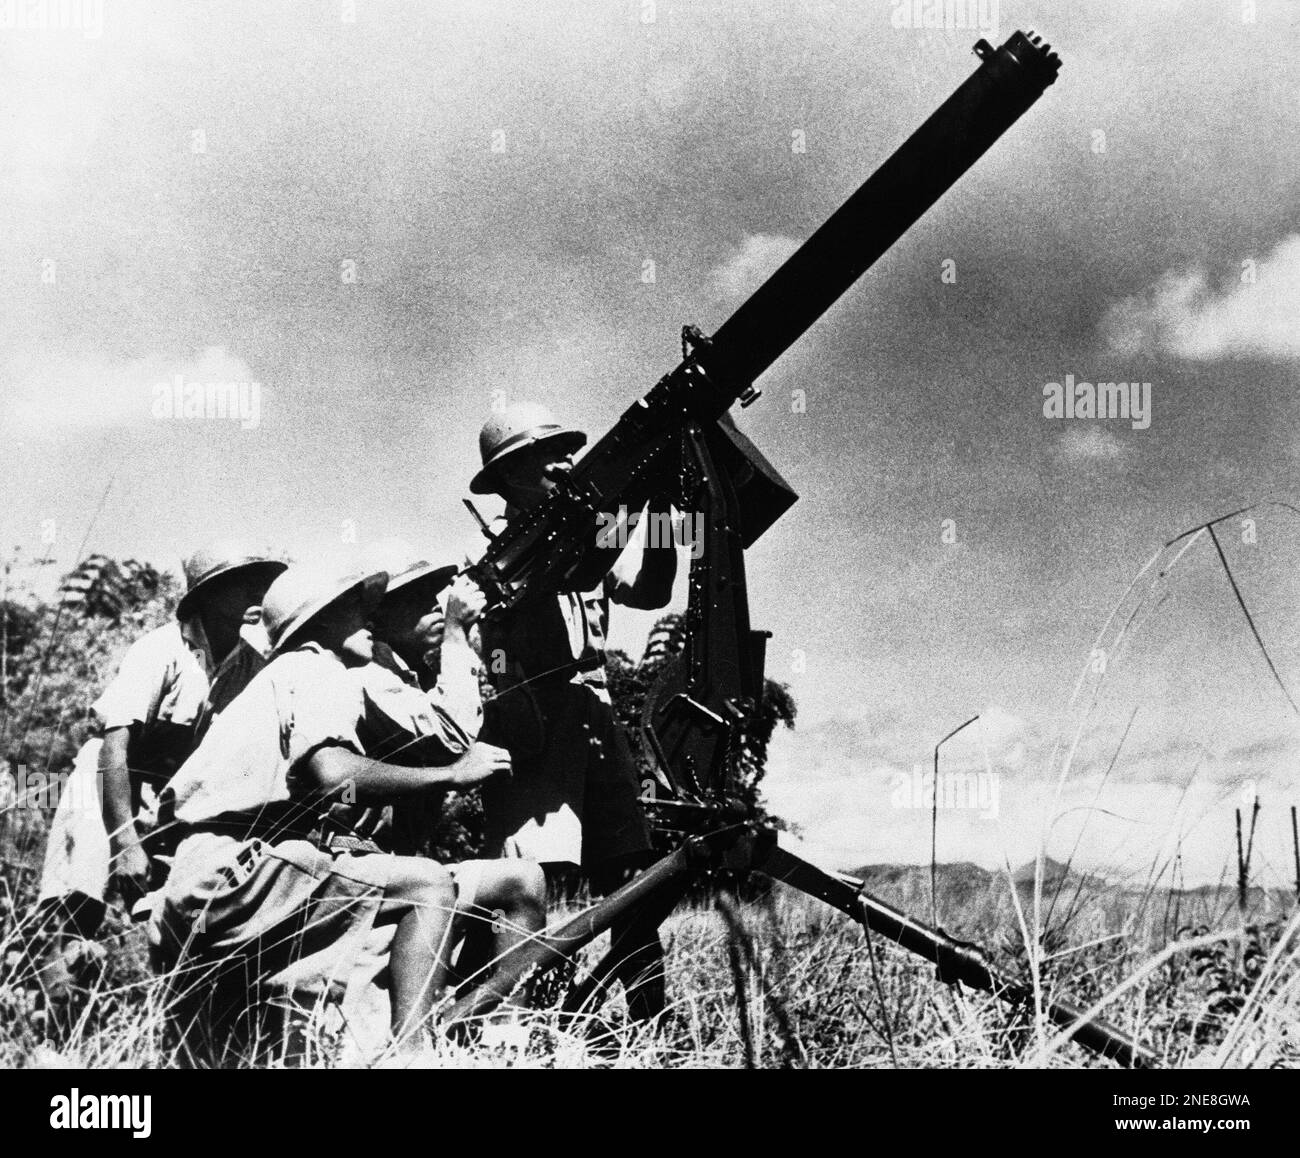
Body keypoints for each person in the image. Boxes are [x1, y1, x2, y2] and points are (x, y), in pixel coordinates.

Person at [150, 565, 536, 1061]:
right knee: (426, 884)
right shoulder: (317, 667)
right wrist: (450, 774)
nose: (368, 619)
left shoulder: (287, 675)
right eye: (355, 609)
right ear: (320, 621)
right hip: (236, 873)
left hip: (208, 877)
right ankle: (414, 1056)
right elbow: (333, 772)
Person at [469, 401, 677, 1021]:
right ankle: (514, 1029)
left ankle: (650, 1027)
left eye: (567, 451)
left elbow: (653, 589)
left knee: (636, 882)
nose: (565, 463)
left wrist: (662, 507)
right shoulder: (494, 560)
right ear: (508, 474)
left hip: (597, 721)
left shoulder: (587, 539)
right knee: (532, 883)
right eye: (547, 454)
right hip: (533, 729)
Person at [29, 543, 286, 990]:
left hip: (180, 796)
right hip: (109, 783)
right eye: (240, 584)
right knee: (79, 908)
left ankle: (164, 1028)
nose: (254, 594)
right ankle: (52, 1030)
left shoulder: (252, 667)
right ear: (207, 595)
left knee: (179, 911)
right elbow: (114, 746)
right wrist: (124, 840)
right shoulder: (162, 650)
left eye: (258, 583)